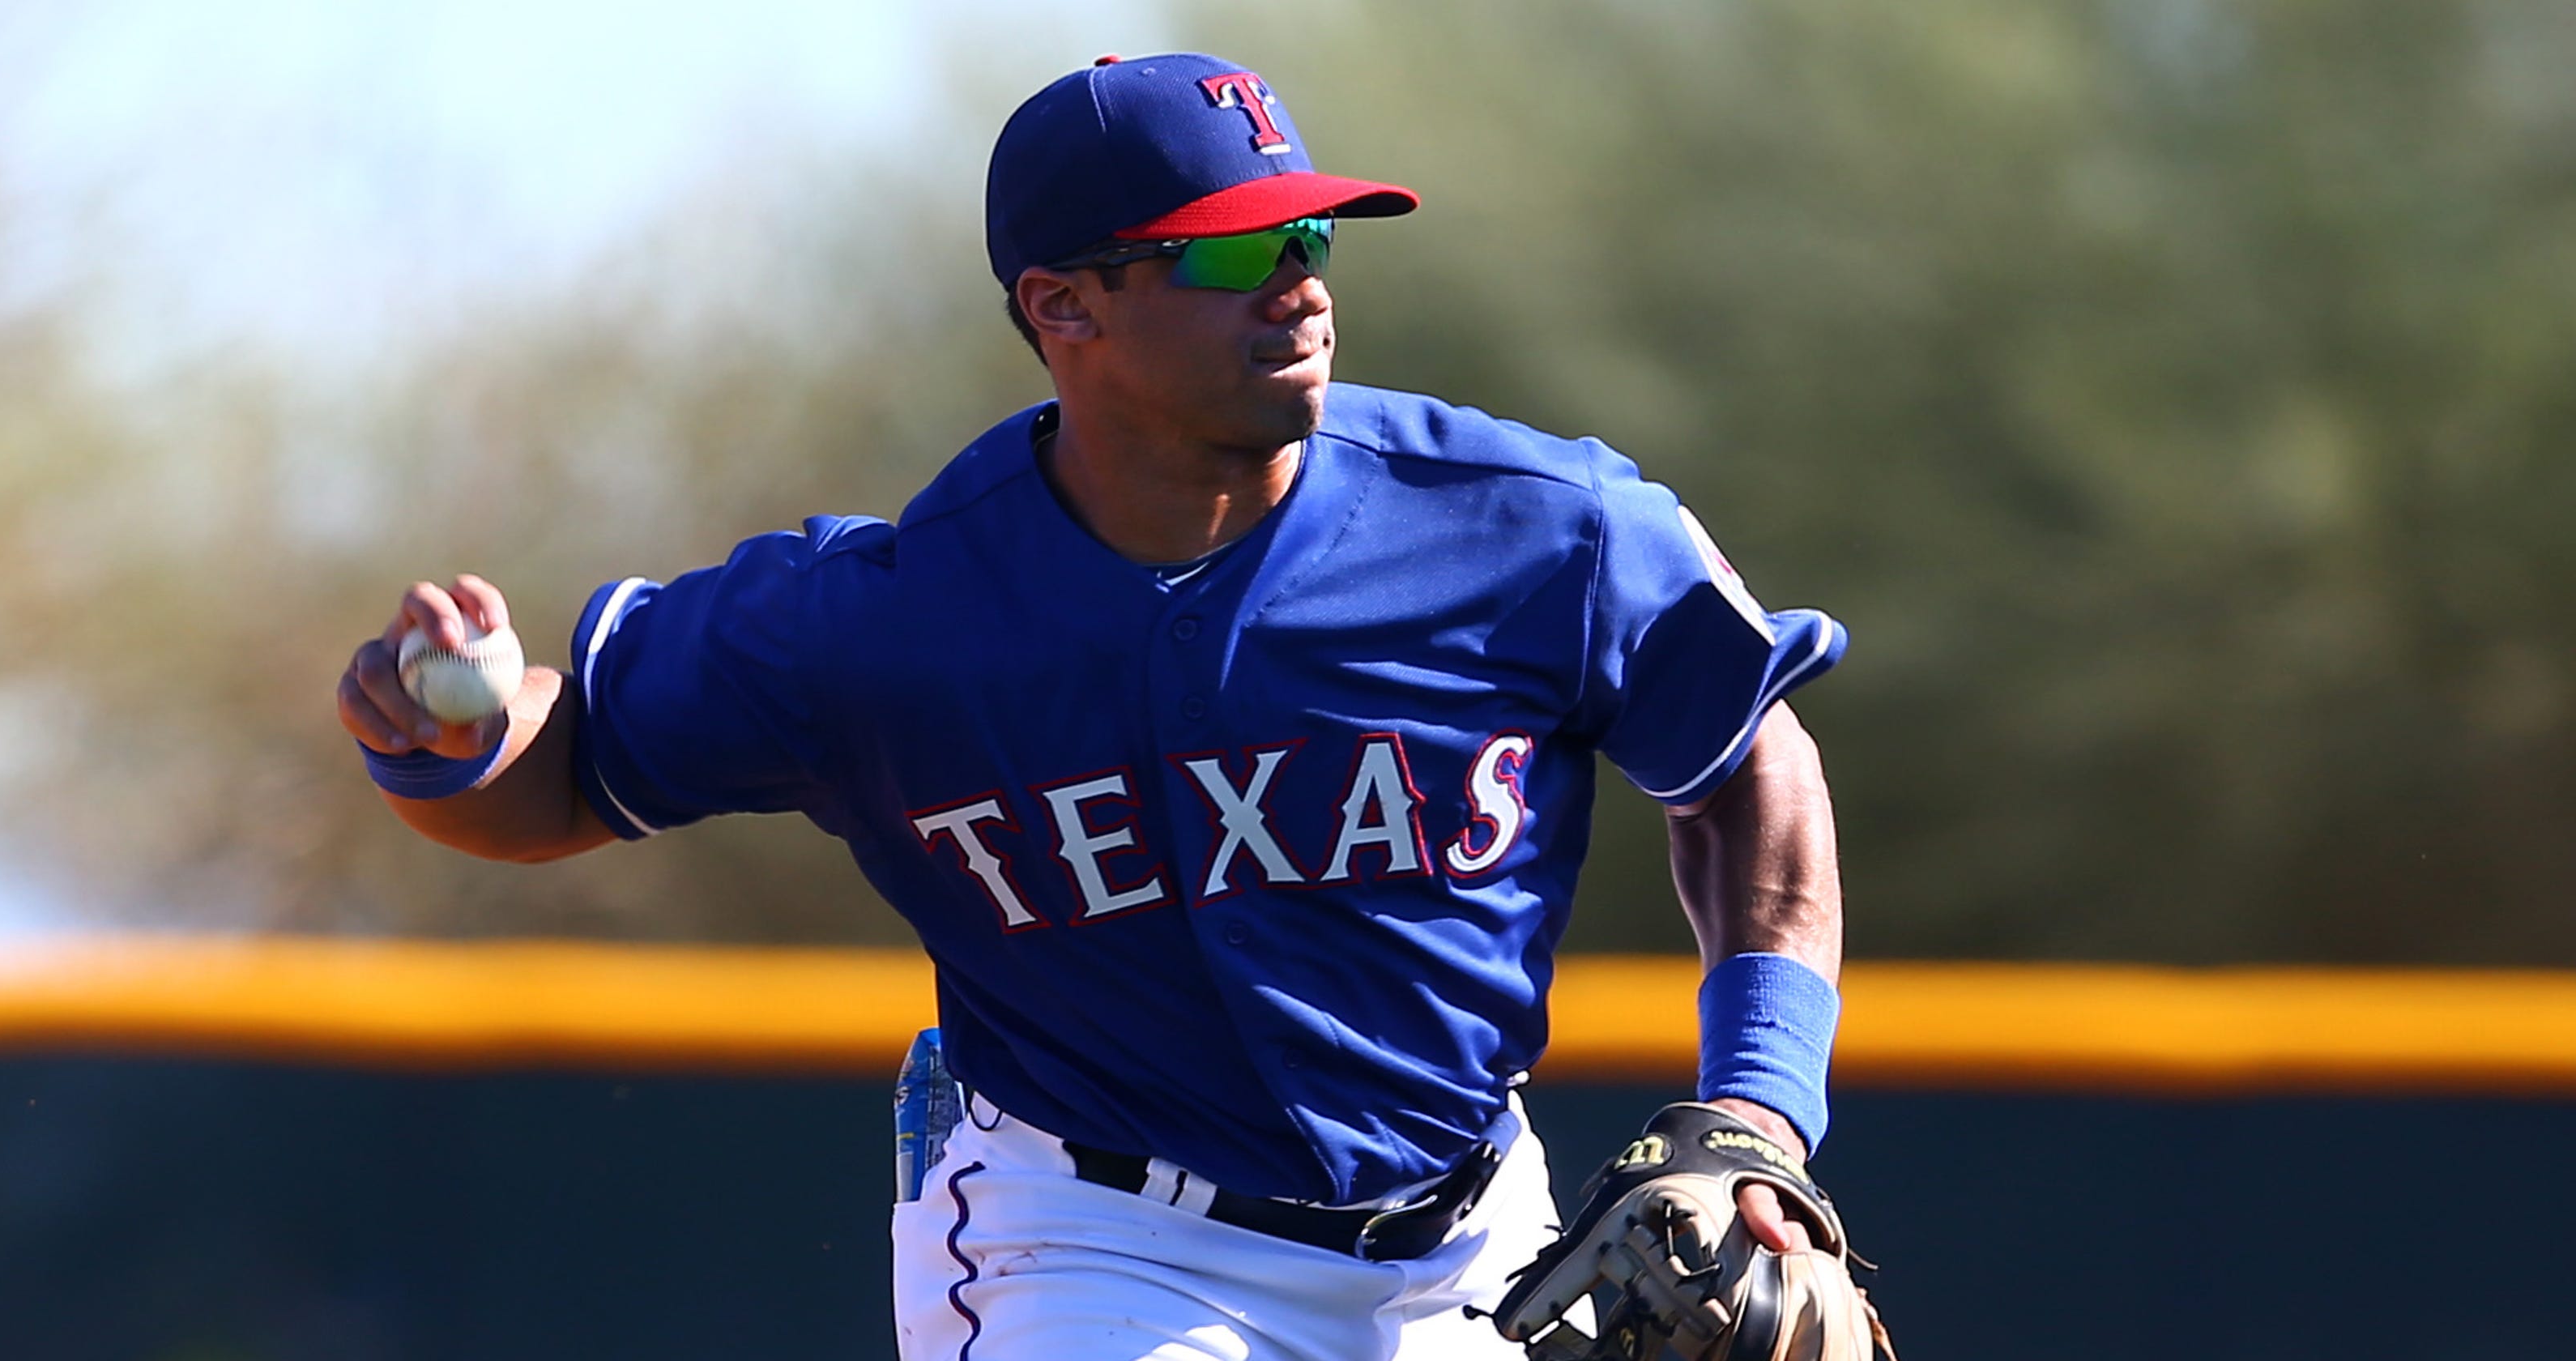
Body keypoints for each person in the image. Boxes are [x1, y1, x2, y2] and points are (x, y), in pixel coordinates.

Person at [335, 52, 1851, 1361]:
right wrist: (457, 746)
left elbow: (1744, 764)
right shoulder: (891, 618)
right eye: (1224, 253)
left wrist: (1759, 1115)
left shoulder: (1534, 528)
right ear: (1063, 307)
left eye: (1309, 230)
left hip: (1471, 1241)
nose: (1297, 283)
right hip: (1100, 1242)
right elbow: (572, 762)